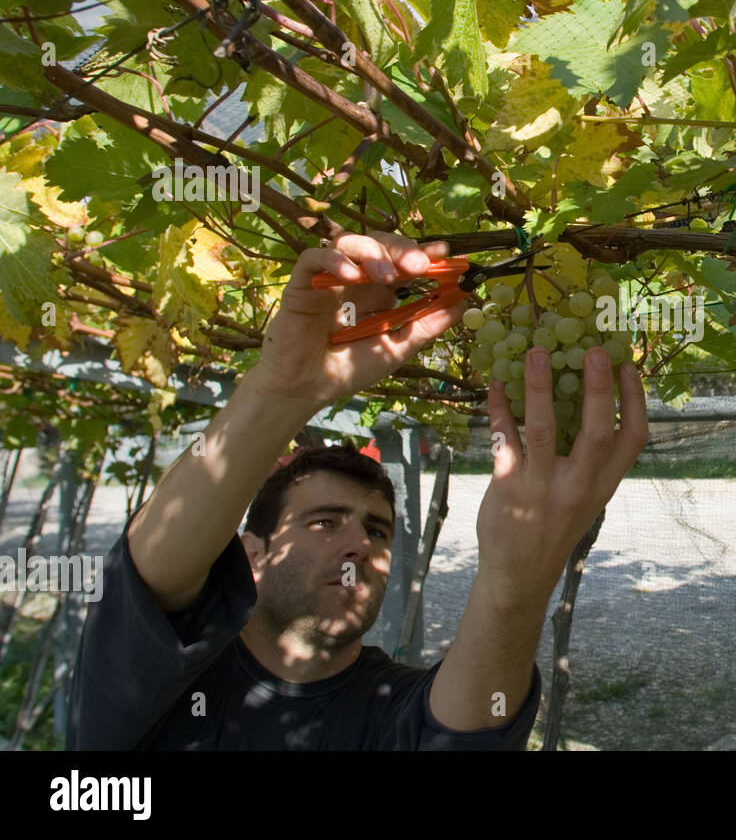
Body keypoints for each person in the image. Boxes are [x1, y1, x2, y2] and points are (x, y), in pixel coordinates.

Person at [67, 232, 648, 749]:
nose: (358, 547)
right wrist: (278, 392)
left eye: (376, 530)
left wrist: (517, 581)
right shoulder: (154, 691)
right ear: (252, 554)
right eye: (324, 521)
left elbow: (465, 734)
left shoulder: (396, 708)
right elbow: (147, 574)